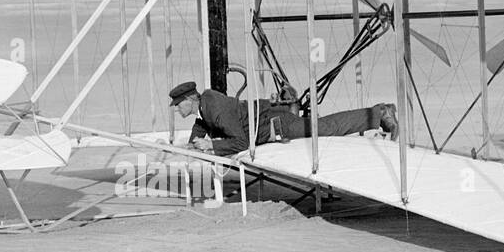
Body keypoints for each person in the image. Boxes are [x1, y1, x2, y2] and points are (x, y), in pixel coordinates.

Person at [168, 81, 398, 157]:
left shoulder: (216, 110)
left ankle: (379, 113)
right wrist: (189, 146)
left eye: (178, 105)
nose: (177, 110)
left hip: (278, 124)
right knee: (326, 127)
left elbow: (241, 143)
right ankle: (377, 113)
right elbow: (200, 126)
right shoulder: (205, 106)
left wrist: (211, 145)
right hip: (270, 120)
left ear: (190, 99)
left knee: (326, 127)